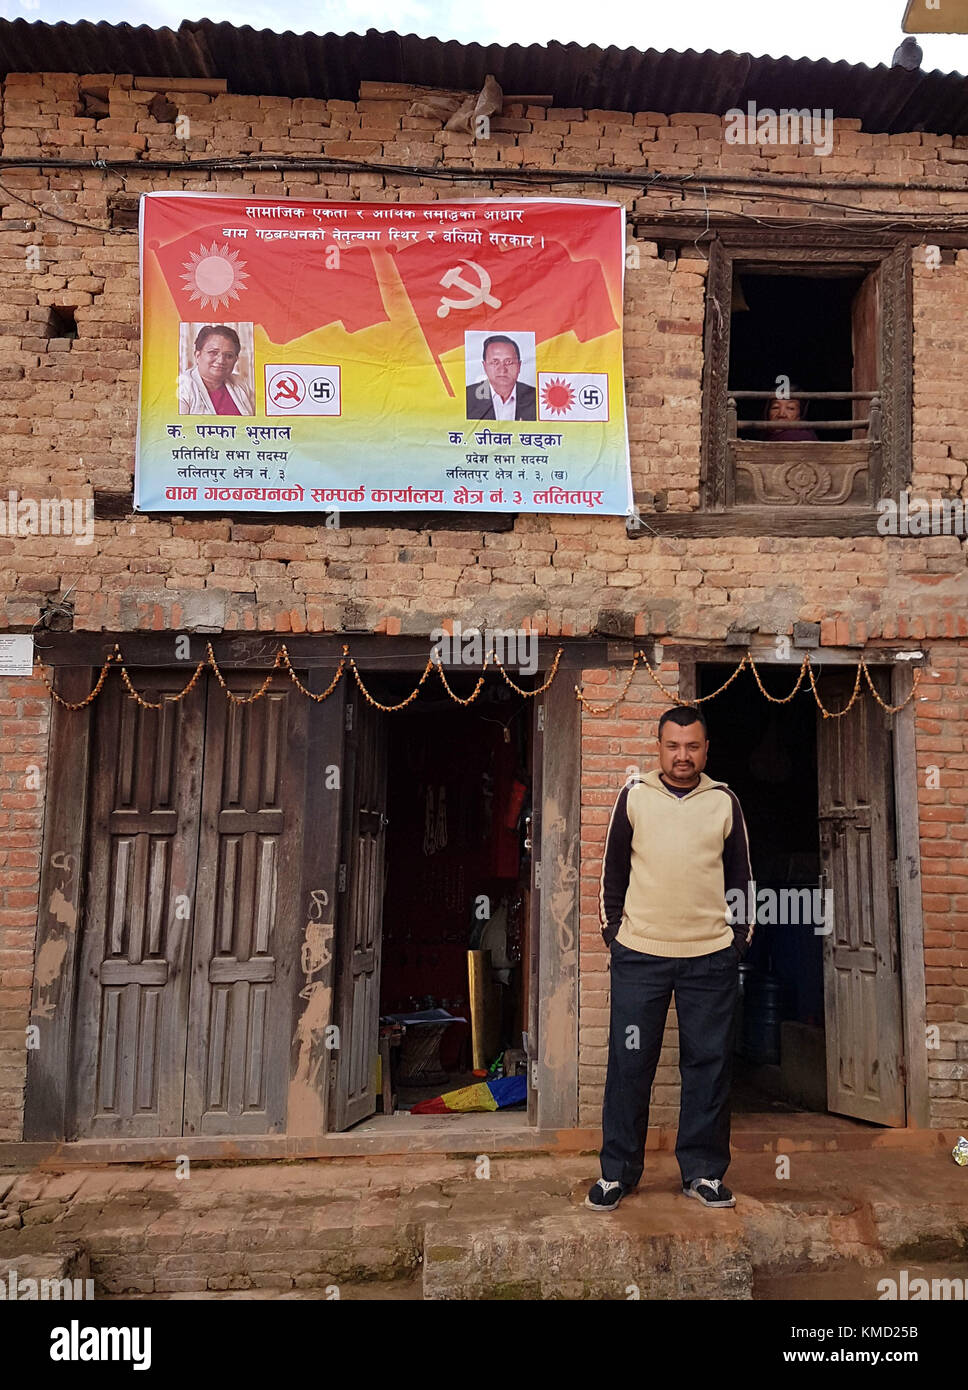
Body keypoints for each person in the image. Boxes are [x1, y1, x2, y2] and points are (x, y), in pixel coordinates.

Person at [586, 704, 754, 1214]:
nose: (683, 756)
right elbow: (611, 871)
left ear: (706, 749)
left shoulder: (724, 801)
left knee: (708, 1065)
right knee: (630, 1064)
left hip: (710, 959)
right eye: (673, 746)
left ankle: (703, 1173)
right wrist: (616, 935)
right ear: (659, 747)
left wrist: (738, 942)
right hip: (641, 956)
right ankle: (617, 1173)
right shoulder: (635, 796)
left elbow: (742, 877)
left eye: (693, 746)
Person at [177, 325, 255, 416]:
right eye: (213, 352)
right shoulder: (181, 387)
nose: (221, 361)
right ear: (197, 355)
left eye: (229, 356)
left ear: (235, 360)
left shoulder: (241, 384)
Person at [466, 335, 536, 421]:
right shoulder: (467, 398)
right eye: (495, 362)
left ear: (519, 366)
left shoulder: (537, 398)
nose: (502, 370)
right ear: (485, 366)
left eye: (509, 362)